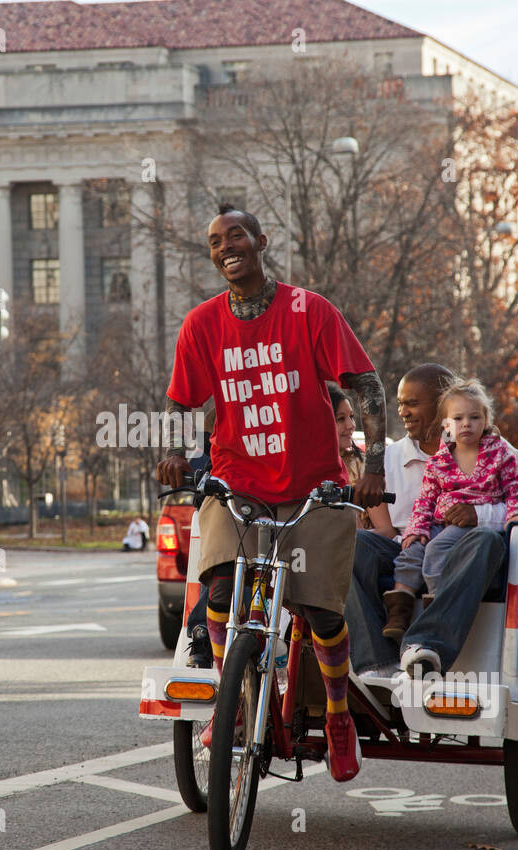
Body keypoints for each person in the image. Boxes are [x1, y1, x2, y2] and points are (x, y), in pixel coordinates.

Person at [156, 203, 387, 782]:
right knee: (219, 584)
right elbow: (182, 403)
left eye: (236, 235)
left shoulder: (309, 311)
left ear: (261, 241)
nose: (226, 247)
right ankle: (232, 705)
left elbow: (365, 384)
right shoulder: (202, 324)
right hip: (238, 487)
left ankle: (336, 715)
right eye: (215, 241)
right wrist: (176, 454)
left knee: (318, 610)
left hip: (313, 490)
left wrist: (374, 463)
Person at [346, 364, 518, 678]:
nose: (403, 412)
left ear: (442, 403)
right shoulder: (389, 459)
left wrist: (481, 516)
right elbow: (390, 530)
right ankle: (377, 664)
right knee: (354, 545)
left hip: (467, 559)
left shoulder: (497, 452)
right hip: (411, 555)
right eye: (401, 403)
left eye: (413, 403)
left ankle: (425, 645)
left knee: (485, 540)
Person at [383, 379, 518, 674]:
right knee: (412, 552)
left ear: (486, 421)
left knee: (438, 548)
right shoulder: (439, 461)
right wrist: (416, 530)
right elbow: (425, 501)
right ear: (446, 425)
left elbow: (517, 489)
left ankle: (436, 601)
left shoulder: (499, 453)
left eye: (475, 418)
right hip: (441, 524)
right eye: (459, 419)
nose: (467, 424)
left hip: (472, 532)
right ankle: (399, 608)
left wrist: (516, 514)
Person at [329, 383, 369, 530]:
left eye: (351, 417)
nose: (351, 425)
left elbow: (385, 529)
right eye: (341, 419)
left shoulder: (362, 466)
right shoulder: (307, 468)